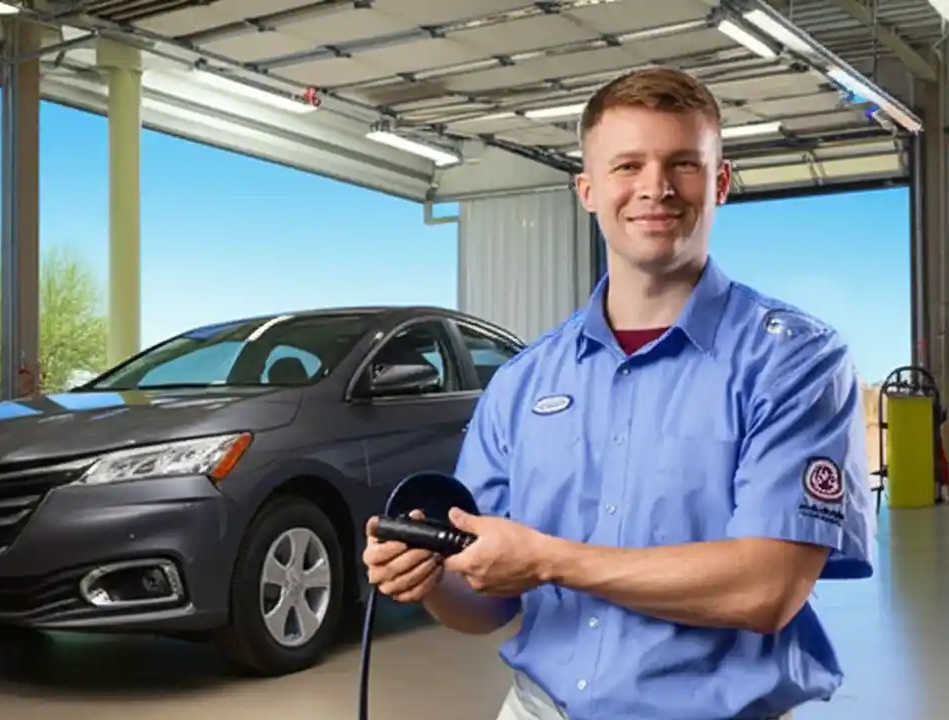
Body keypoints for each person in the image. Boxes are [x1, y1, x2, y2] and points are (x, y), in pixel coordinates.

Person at [362, 66, 876, 720]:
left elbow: (767, 589)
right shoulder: (525, 382)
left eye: (682, 163)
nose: (654, 188)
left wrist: (550, 560)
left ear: (719, 182)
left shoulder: (794, 360)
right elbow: (485, 602)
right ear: (588, 189)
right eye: (627, 165)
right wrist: (430, 578)